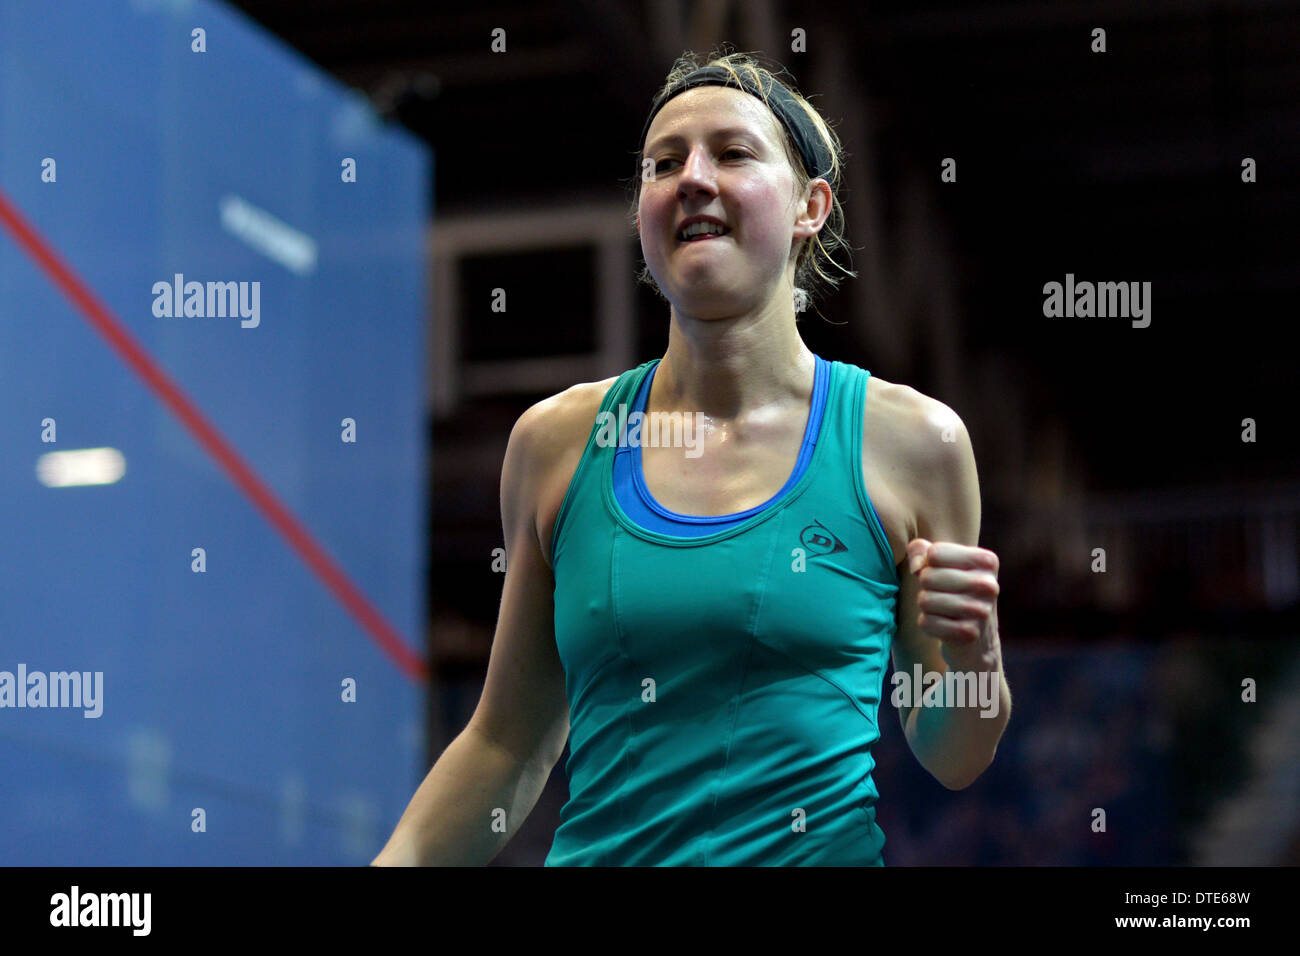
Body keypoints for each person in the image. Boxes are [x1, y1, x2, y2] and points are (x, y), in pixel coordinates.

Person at [372, 47, 1011, 867]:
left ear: (811, 205)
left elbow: (955, 752)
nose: (691, 179)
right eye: (662, 163)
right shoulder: (557, 442)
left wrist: (975, 655)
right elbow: (506, 745)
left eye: (733, 153)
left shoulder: (918, 442)